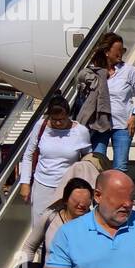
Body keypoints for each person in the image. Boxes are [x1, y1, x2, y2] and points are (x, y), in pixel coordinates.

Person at [19, 97, 92, 226]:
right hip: (42, 184)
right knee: (40, 226)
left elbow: (88, 159)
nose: (58, 123)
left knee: (67, 224)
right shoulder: (40, 126)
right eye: (54, 119)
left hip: (68, 187)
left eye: (62, 119)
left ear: (68, 116)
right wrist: (24, 183)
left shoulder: (81, 131)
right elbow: (28, 155)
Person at [80, 33, 135, 172]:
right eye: (118, 50)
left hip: (122, 125)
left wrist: (134, 116)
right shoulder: (94, 71)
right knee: (95, 165)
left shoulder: (129, 71)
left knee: (120, 167)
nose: (121, 53)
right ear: (106, 52)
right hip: (99, 124)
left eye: (122, 50)